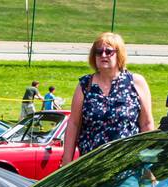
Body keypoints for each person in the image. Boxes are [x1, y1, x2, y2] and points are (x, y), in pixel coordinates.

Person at [61, 32, 154, 167]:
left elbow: (146, 124)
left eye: (108, 51)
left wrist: (149, 164)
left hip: (126, 168)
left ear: (119, 54)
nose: (103, 55)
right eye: (98, 52)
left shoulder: (135, 82)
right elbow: (73, 124)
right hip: (90, 168)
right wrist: (66, 163)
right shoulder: (85, 85)